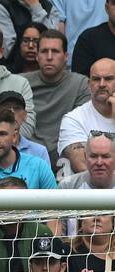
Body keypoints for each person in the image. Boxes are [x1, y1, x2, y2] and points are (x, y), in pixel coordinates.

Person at [26, 30, 89, 169]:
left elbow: (79, 128)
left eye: (55, 51)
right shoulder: (21, 83)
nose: (49, 57)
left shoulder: (80, 84)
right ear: (37, 56)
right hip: (27, 158)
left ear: (66, 56)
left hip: (67, 158)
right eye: (44, 51)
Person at [59, 59, 115, 173]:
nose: (102, 84)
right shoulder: (74, 119)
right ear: (89, 84)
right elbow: (84, 168)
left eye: (108, 79)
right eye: (96, 79)